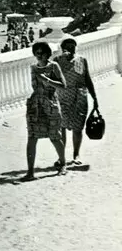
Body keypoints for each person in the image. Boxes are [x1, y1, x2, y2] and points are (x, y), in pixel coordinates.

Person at [22, 42, 68, 181]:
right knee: (32, 137)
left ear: (48, 53)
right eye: (37, 53)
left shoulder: (54, 66)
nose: (39, 55)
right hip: (36, 105)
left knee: (55, 136)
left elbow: (63, 86)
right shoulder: (33, 68)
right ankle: (30, 172)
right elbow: (35, 86)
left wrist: (47, 80)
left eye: (42, 52)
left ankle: (63, 163)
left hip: (51, 102)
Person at [53, 38, 99, 166]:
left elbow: (87, 79)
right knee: (61, 127)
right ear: (62, 48)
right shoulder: (57, 61)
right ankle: (61, 157)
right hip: (62, 97)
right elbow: (51, 78)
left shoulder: (81, 60)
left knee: (78, 127)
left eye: (73, 46)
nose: (71, 49)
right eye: (67, 46)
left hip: (79, 97)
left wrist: (95, 98)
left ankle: (76, 154)